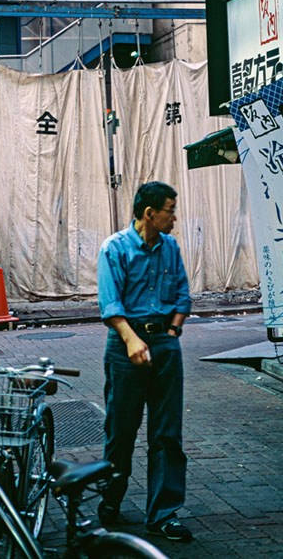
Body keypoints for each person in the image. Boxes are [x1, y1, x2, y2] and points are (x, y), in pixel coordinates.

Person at [96, 181, 193, 543]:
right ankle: (110, 500)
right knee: (121, 430)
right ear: (150, 214)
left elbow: (183, 293)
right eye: (170, 209)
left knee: (167, 434)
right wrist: (133, 339)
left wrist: (171, 335)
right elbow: (110, 303)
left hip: (164, 346)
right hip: (125, 346)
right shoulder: (115, 248)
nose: (174, 216)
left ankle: (164, 514)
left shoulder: (170, 247)